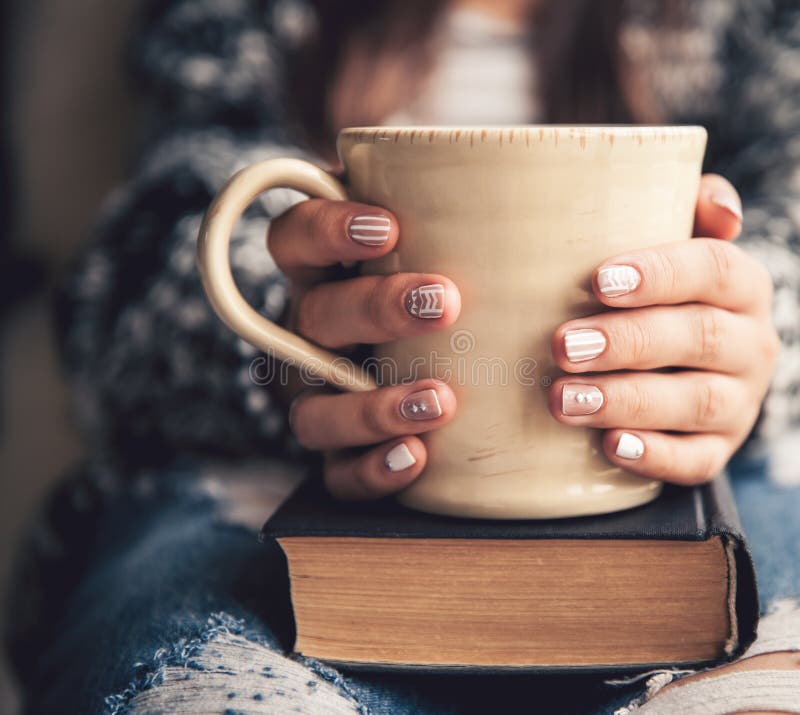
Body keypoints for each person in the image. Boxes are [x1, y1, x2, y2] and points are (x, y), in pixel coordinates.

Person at [5, 0, 800, 712]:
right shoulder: (246, 16)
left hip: (704, 482)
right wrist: (293, 349)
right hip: (265, 487)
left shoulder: (738, 17)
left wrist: (742, 338)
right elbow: (129, 274)